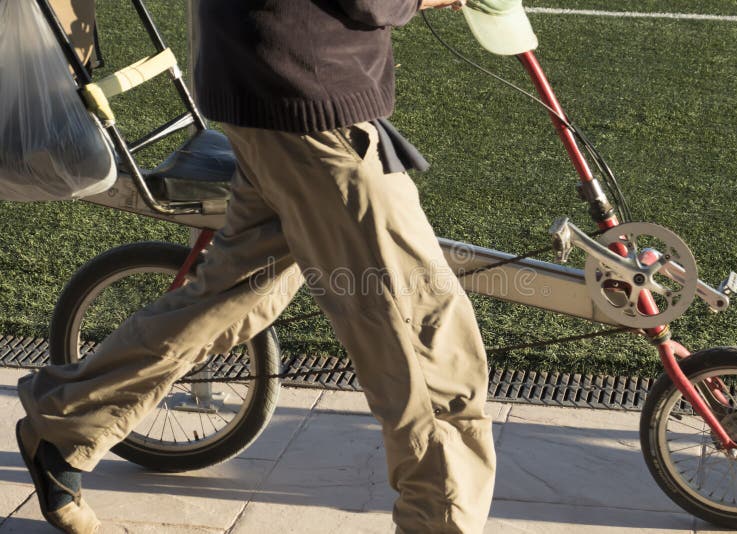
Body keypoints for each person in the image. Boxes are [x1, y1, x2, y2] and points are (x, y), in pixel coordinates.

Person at [16, 1, 498, 533]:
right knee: (426, 336)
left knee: (228, 298)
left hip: (261, 94)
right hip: (312, 108)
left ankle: (64, 421)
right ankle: (441, 523)